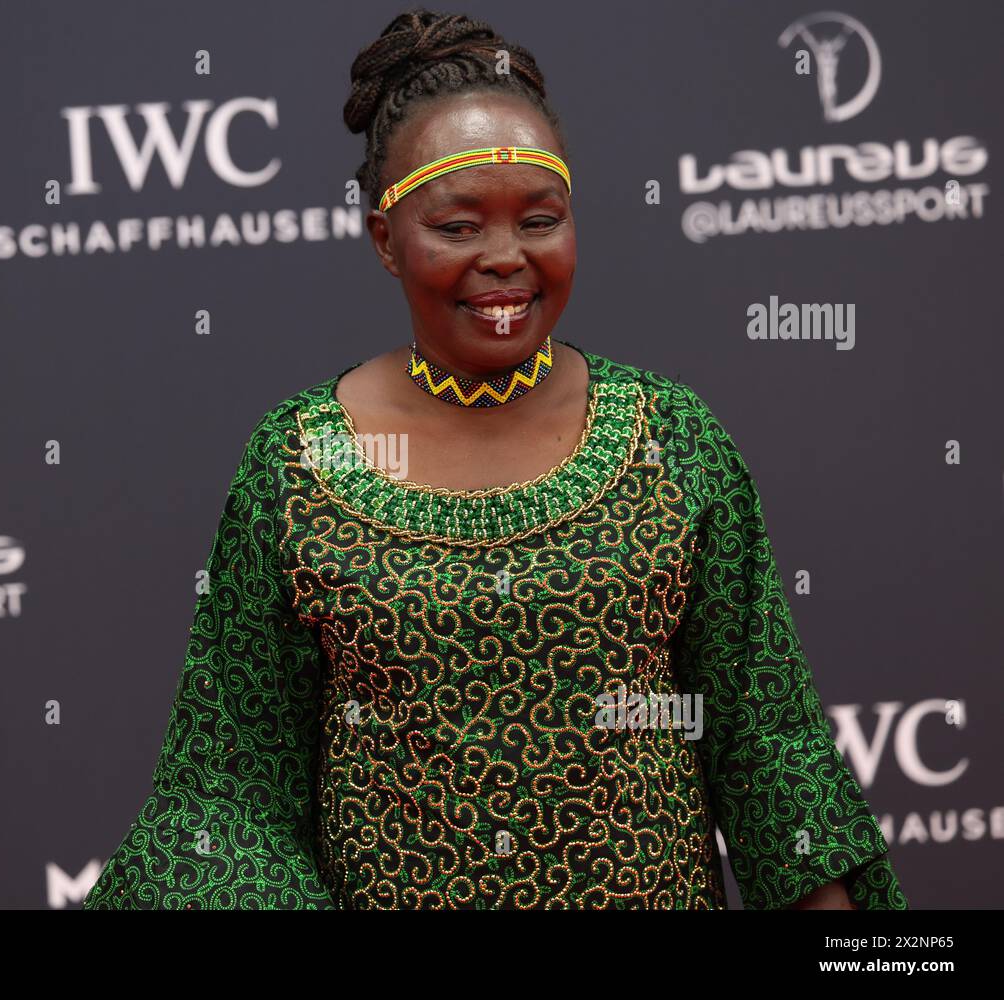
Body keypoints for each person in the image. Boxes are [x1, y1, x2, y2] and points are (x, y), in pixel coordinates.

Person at [84, 8, 906, 910]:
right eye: (459, 226)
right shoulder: (299, 461)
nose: (506, 259)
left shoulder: (671, 437)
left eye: (540, 219)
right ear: (384, 240)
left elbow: (768, 743)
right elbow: (231, 793)